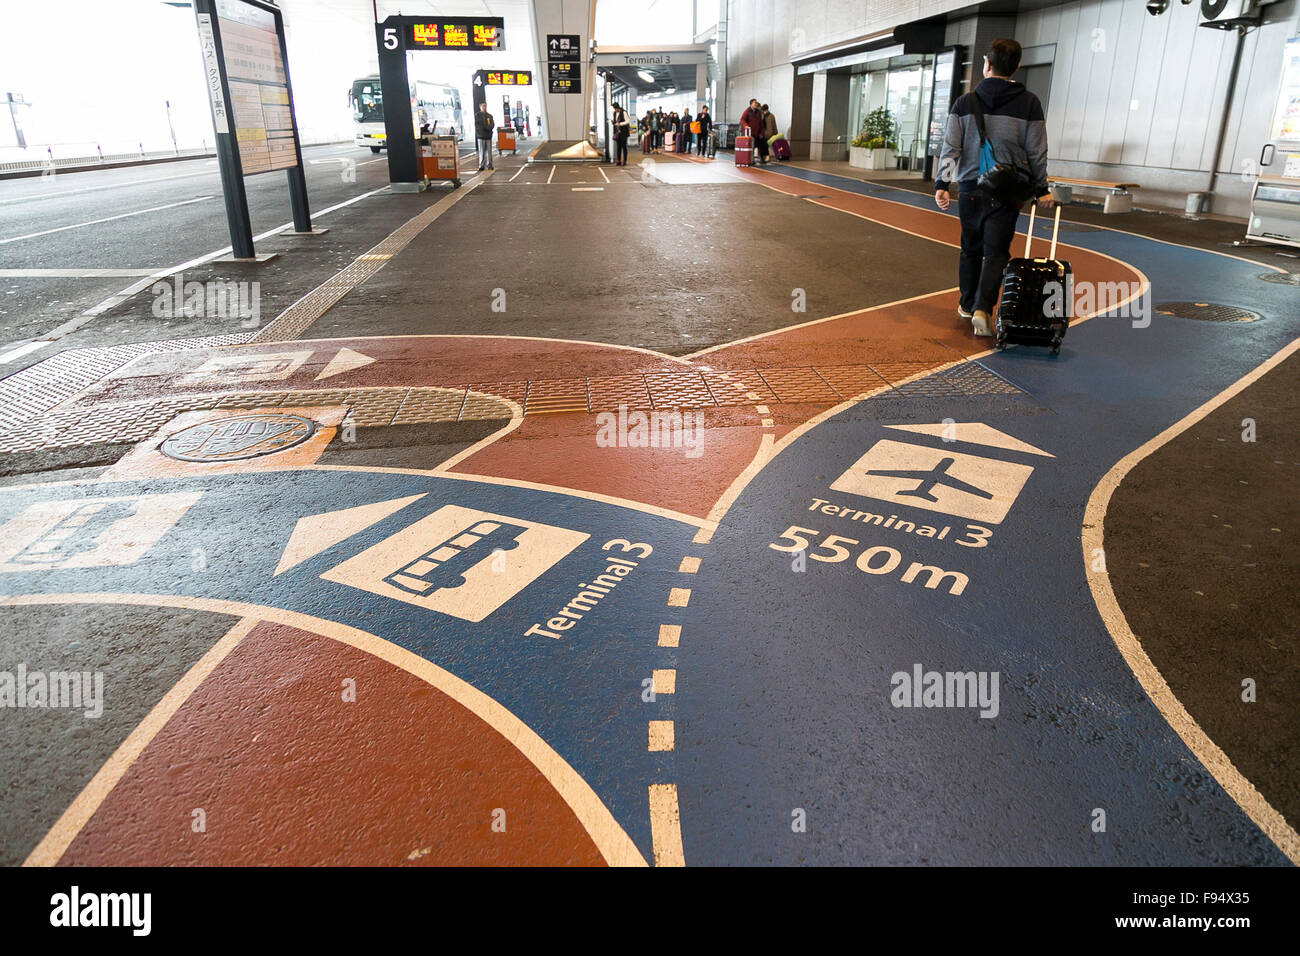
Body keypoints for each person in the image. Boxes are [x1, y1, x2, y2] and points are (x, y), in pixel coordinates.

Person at [935, 37, 1053, 337]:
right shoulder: (1029, 103)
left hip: (970, 188)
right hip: (1007, 190)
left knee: (970, 249)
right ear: (1016, 67)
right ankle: (983, 308)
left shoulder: (964, 102)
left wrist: (942, 183)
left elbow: (951, 148)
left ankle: (965, 303)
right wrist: (1041, 189)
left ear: (986, 65)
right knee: (997, 253)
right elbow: (1037, 151)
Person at [740, 98, 766, 164]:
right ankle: (749, 159)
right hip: (749, 133)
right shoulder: (747, 111)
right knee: (750, 146)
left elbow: (760, 123)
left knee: (759, 144)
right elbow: (742, 120)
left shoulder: (758, 112)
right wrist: (745, 126)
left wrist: (761, 133)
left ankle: (761, 158)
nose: (756, 104)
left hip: (756, 133)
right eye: (754, 102)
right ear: (751, 104)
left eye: (756, 103)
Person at [474, 102, 495, 172]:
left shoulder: (490, 116)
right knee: (481, 151)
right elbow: (478, 125)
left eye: (485, 106)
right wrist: (486, 128)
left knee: (489, 152)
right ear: (480, 107)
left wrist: (488, 128)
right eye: (483, 106)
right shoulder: (477, 115)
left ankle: (490, 165)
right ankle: (481, 165)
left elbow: (492, 124)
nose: (484, 107)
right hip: (481, 136)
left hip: (488, 136)